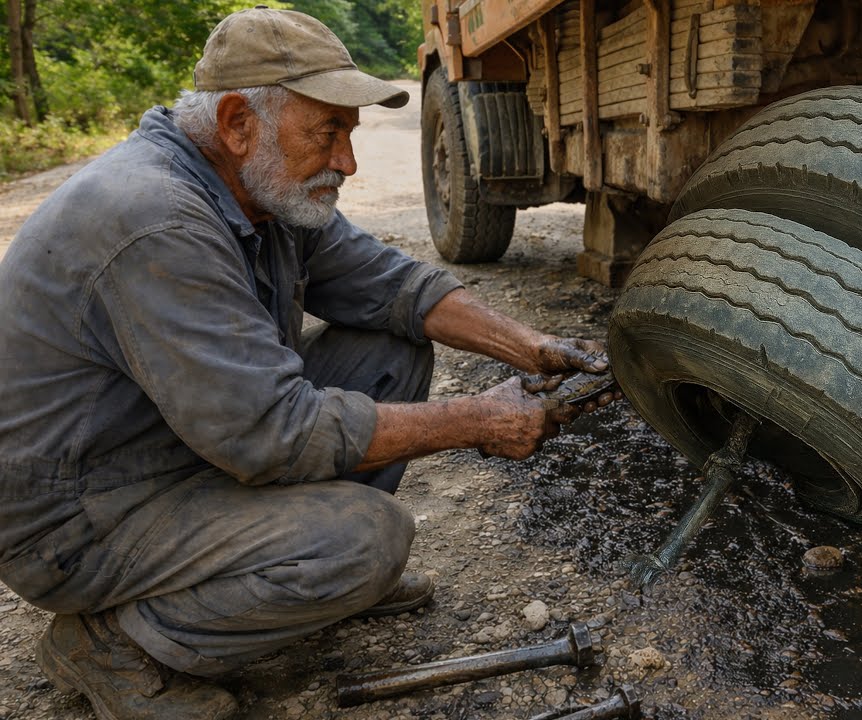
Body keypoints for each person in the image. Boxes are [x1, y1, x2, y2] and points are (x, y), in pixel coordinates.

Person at [0, 7, 615, 718]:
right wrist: (480, 419)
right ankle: (116, 641)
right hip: (81, 516)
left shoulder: (259, 192)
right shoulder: (156, 219)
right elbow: (273, 434)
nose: (347, 162)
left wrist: (528, 345)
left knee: (391, 343)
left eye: (349, 134)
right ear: (237, 124)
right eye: (328, 132)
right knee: (368, 540)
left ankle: (299, 581)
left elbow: (394, 287)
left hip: (169, 446)